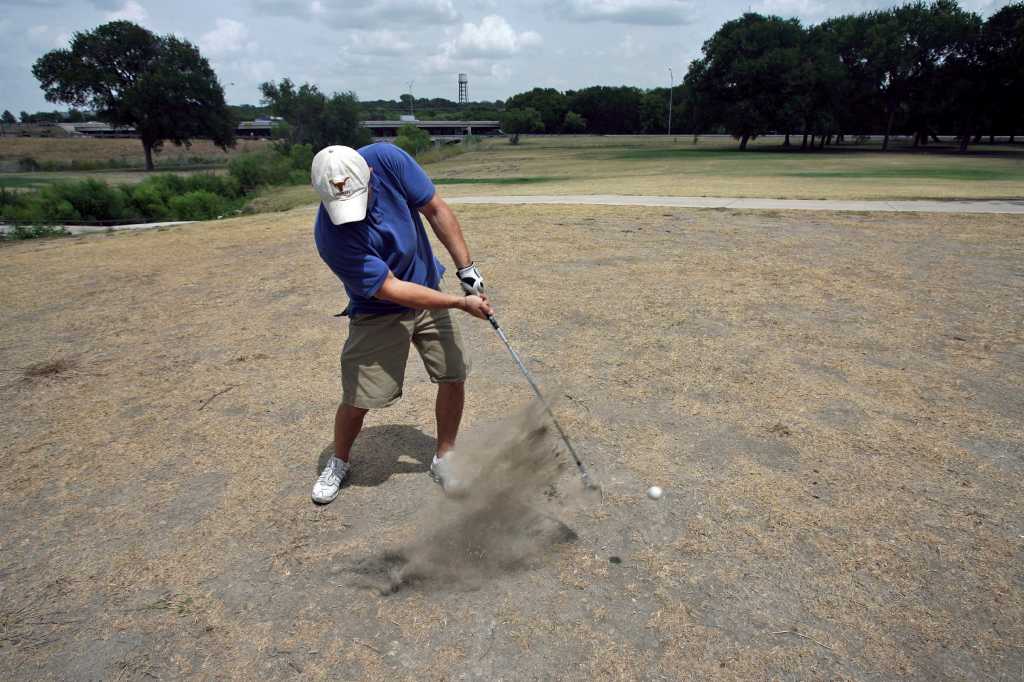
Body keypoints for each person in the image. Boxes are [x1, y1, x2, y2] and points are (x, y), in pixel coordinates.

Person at [309, 143, 493, 504]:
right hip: (376, 311)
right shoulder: (330, 236)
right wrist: (459, 301)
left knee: (453, 373)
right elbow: (391, 289)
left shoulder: (388, 160)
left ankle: (445, 456)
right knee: (360, 396)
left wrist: (466, 269)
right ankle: (340, 460)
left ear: (371, 176)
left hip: (427, 285)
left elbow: (435, 209)